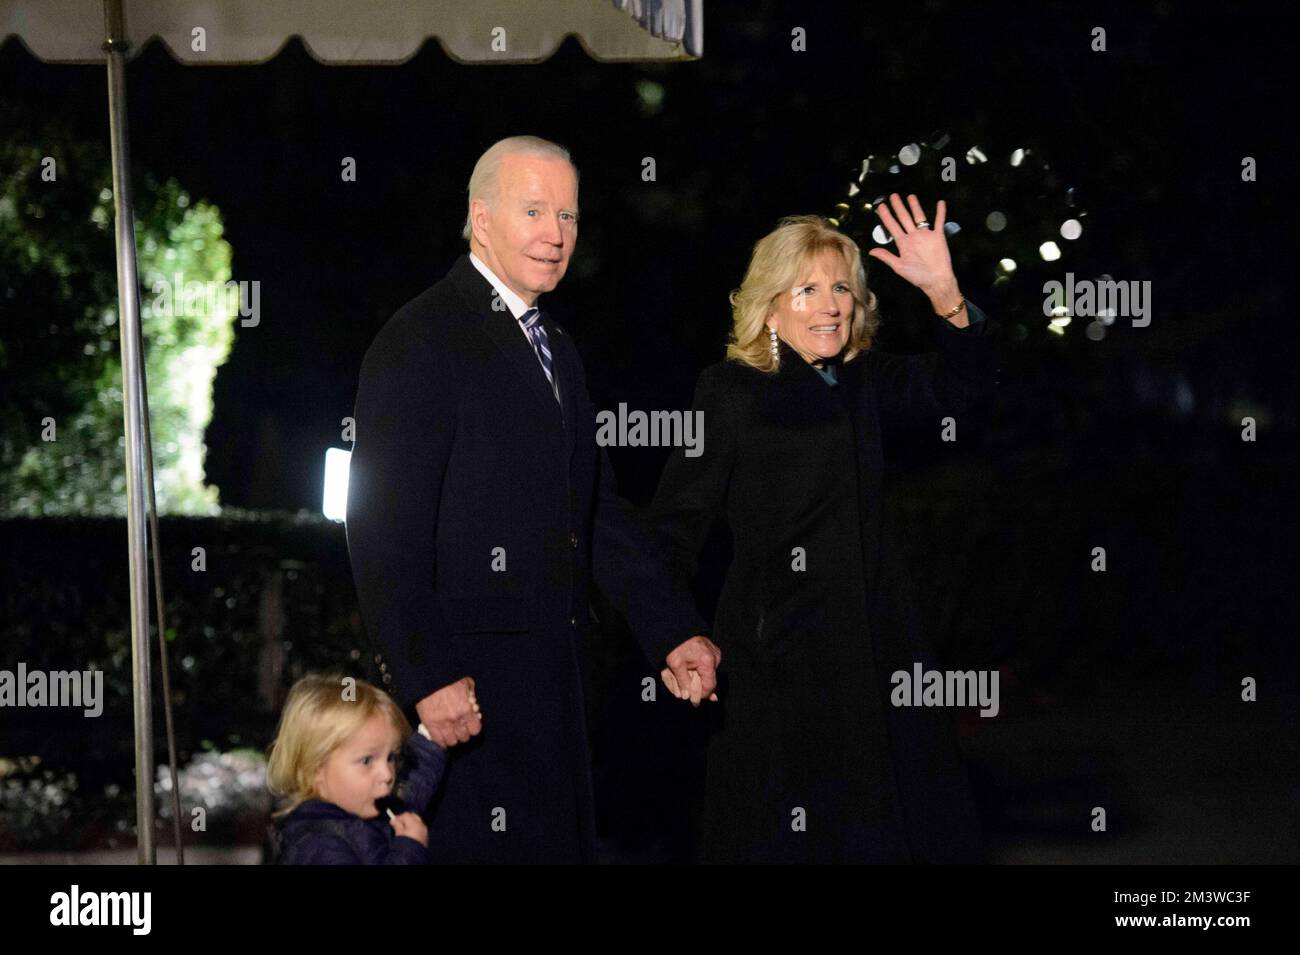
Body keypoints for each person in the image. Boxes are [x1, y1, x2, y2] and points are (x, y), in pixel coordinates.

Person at [344, 135, 722, 863]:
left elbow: (599, 512)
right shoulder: (420, 338)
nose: (556, 234)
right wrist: (427, 675)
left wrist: (670, 628)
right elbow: (381, 525)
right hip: (471, 700)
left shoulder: (557, 347)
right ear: (482, 220)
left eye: (570, 216)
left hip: (560, 689)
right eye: (534, 211)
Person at [647, 198, 997, 862]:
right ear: (770, 306)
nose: (830, 304)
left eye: (841, 287)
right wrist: (671, 632)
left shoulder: (866, 380)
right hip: (775, 668)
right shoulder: (729, 390)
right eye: (807, 289)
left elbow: (966, 387)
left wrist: (944, 291)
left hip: (879, 656)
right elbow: (674, 525)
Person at [268, 673, 447, 864]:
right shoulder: (318, 847)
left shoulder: (361, 807)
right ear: (315, 769)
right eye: (367, 760)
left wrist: (432, 736)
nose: (387, 774)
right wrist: (409, 850)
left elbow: (409, 791)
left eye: (391, 757)